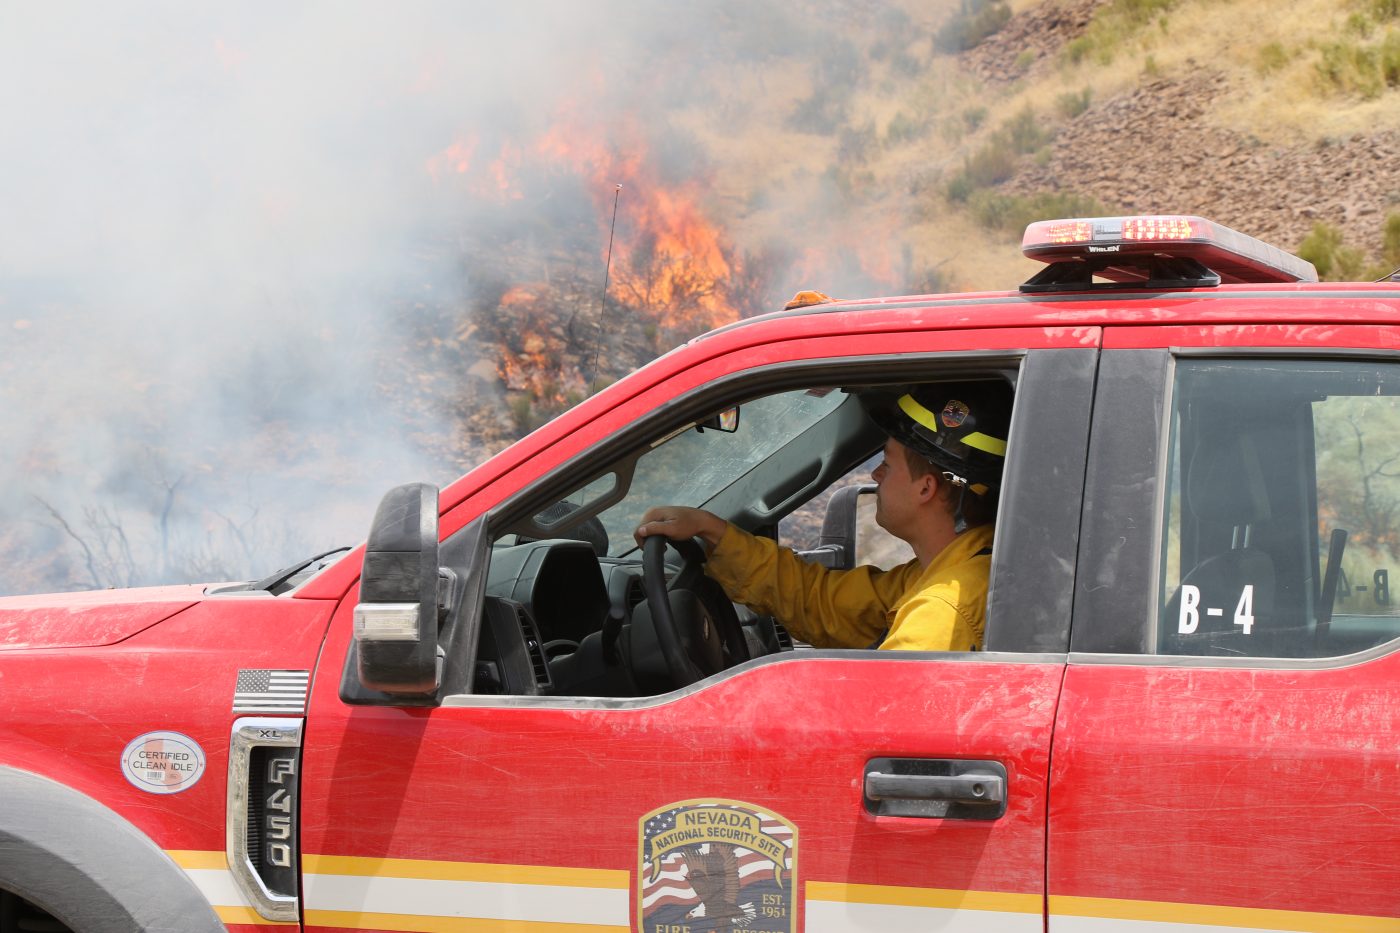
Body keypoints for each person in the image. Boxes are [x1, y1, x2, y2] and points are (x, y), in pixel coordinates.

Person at [634, 382, 1011, 651]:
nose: (875, 475)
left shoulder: (942, 612)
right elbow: (824, 603)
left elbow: (880, 728)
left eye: (887, 464)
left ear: (926, 488)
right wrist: (712, 530)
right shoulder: (946, 574)